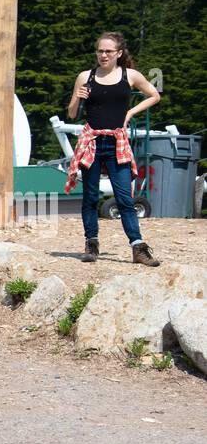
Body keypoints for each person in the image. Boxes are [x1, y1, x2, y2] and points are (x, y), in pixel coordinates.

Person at [65, 30, 162, 267]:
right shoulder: (85, 77)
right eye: (100, 51)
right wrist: (77, 97)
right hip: (92, 142)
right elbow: (71, 114)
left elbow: (154, 95)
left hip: (116, 142)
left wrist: (129, 113)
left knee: (124, 197)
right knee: (90, 196)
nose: (103, 55)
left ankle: (138, 247)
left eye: (108, 51)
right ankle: (91, 244)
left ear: (119, 53)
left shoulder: (130, 75)